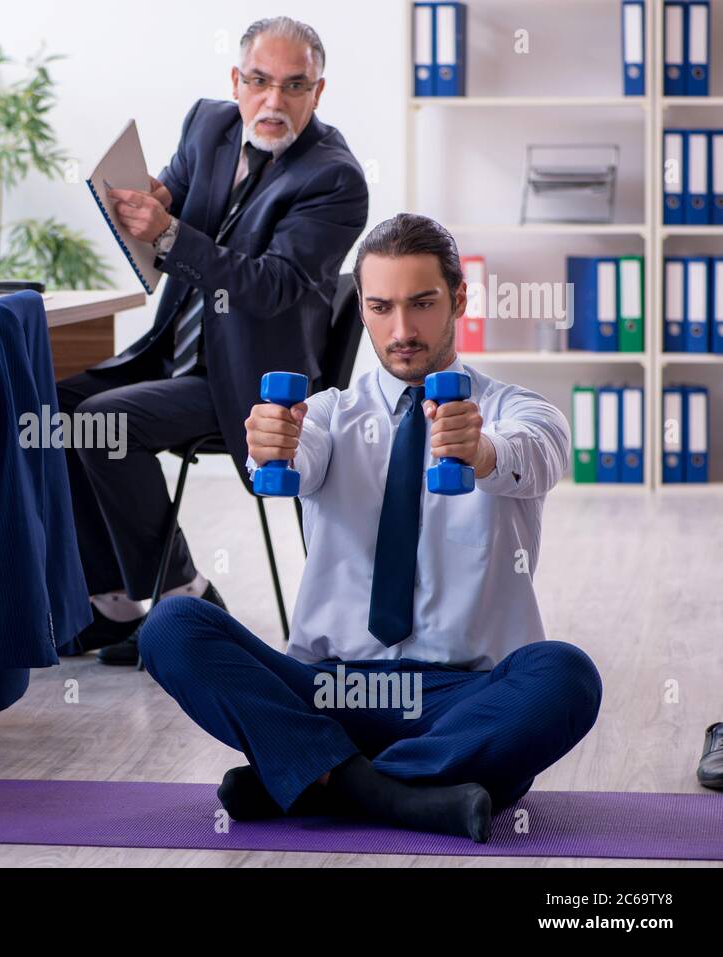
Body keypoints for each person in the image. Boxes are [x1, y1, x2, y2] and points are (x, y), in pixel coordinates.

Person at [137, 213, 602, 843]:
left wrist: (481, 452)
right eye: (381, 307)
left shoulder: (517, 409)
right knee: (171, 624)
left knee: (565, 677)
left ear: (458, 300)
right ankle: (396, 793)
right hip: (330, 693)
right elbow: (298, 457)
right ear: (362, 308)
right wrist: (271, 445)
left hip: (460, 702)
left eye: (422, 304)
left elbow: (537, 455)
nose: (402, 330)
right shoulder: (328, 413)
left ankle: (313, 776)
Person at [58, 16, 368, 664]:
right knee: (56, 410)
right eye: (259, 82)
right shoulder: (210, 123)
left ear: (318, 91)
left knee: (103, 421)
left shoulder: (335, 179)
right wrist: (157, 196)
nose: (273, 102)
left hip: (253, 382)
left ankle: (185, 595)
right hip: (174, 351)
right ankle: (113, 600)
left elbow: (272, 285)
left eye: (293, 86)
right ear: (236, 80)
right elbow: (175, 186)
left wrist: (168, 234)